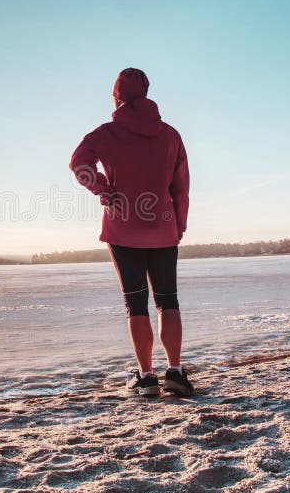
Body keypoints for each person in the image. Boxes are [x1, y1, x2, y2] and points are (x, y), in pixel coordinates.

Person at [69, 67, 193, 396]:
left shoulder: (105, 133)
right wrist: (178, 226)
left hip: (123, 227)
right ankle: (176, 373)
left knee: (135, 305)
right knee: (169, 301)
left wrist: (102, 189)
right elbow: (181, 188)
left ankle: (147, 377)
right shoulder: (170, 135)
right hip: (163, 228)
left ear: (117, 96)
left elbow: (77, 163)